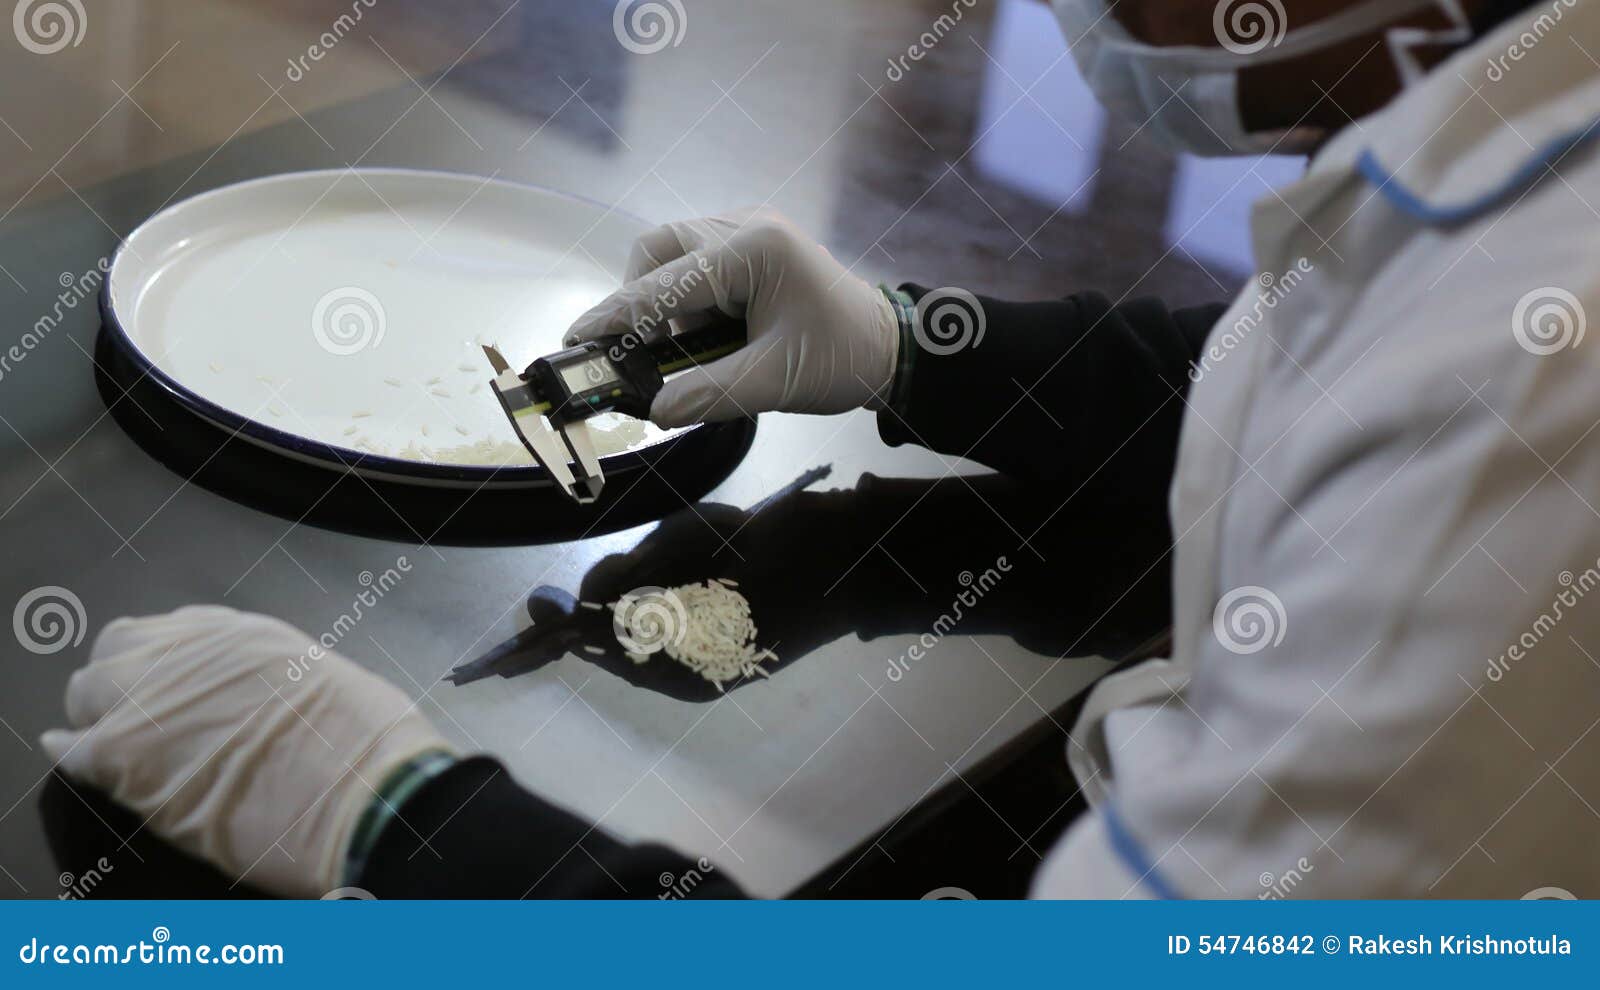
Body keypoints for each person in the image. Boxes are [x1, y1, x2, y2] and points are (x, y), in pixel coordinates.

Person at [44, 0, 1599, 898]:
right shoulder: (1510, 166)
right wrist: (912, 344)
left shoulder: (1529, 394)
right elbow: (1290, 373)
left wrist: (392, 814)